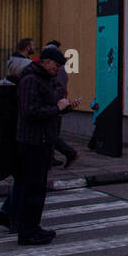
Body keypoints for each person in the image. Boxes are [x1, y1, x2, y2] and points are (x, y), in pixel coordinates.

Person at [13, 46, 78, 245]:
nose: (57, 69)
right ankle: (27, 231)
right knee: (32, 188)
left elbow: (49, 108)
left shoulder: (44, 79)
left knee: (37, 188)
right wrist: (56, 108)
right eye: (55, 65)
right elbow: (30, 112)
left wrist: (64, 108)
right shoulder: (31, 80)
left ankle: (33, 227)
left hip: (42, 141)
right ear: (45, 61)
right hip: (32, 142)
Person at [0, 38, 36, 231]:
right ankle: (14, 219)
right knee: (24, 180)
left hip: (11, 141)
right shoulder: (16, 95)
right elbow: (29, 116)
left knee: (21, 180)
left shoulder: (4, 89)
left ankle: (6, 214)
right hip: (19, 141)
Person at [43, 39, 79, 169]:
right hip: (55, 104)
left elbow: (60, 86)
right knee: (50, 133)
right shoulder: (54, 69)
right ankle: (51, 157)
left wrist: (59, 103)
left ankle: (67, 153)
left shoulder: (58, 69)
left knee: (51, 133)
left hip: (55, 104)